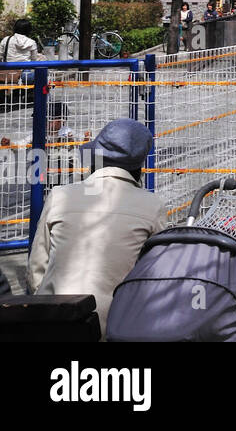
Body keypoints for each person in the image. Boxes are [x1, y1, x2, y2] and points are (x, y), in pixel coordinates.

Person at [27, 118, 166, 334]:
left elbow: (36, 269)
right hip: (117, 326)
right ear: (139, 166)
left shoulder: (59, 196)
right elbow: (159, 275)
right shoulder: (152, 206)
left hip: (55, 322)